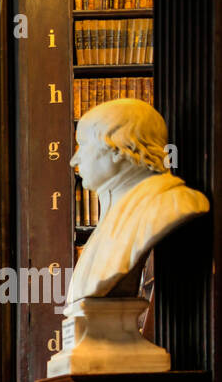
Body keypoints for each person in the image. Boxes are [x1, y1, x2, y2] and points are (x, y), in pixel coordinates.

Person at [67, 98, 210, 303]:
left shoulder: (171, 205)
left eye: (82, 145)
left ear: (117, 148)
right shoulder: (113, 211)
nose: (75, 159)